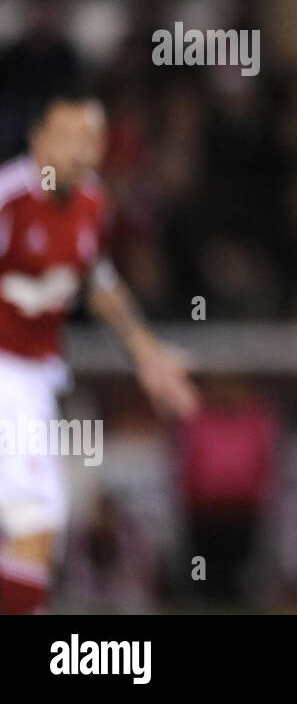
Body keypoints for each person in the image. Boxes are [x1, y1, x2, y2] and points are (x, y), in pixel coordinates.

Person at [0, 93, 199, 614]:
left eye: (92, 139)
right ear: (37, 139)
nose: (81, 152)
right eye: (69, 138)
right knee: (36, 517)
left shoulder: (92, 201)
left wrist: (149, 356)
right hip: (6, 374)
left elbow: (99, 281)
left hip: (37, 378)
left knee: (36, 529)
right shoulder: (9, 199)